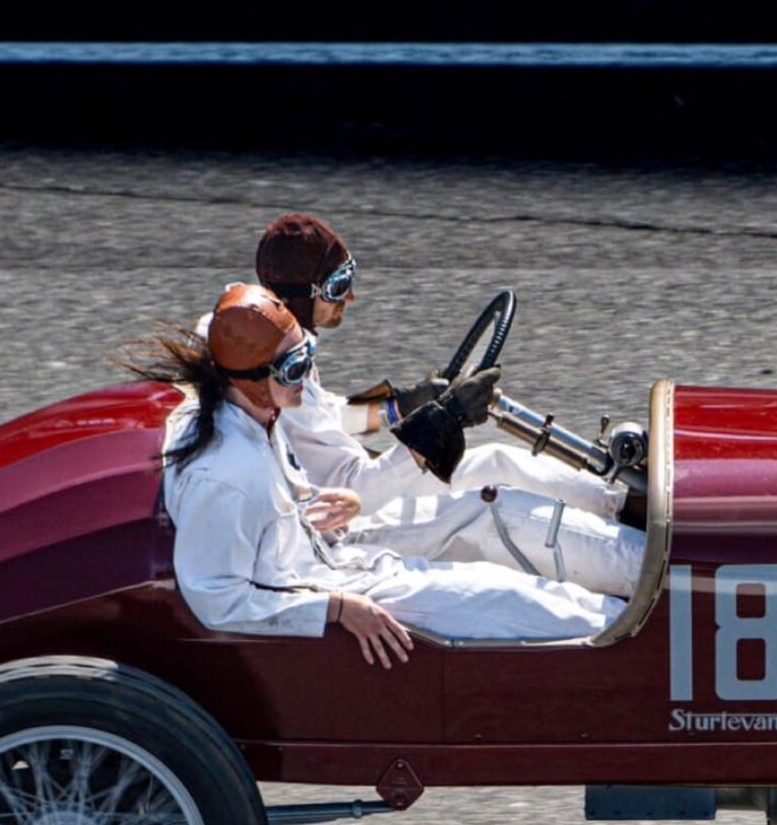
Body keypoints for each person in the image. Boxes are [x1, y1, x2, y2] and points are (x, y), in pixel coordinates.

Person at [140, 286, 621, 663]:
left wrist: (328, 497)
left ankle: (642, 558)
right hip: (337, 588)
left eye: (306, 356)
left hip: (339, 555)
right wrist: (337, 609)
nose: (304, 377)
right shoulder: (226, 473)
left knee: (500, 522)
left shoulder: (256, 410)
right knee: (512, 598)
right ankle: (648, 622)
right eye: (293, 368)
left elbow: (295, 477)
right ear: (247, 378)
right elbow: (219, 600)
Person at [244, 212, 647, 600]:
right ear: (298, 298)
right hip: (340, 534)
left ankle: (631, 510)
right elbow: (357, 492)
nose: (351, 295)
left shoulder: (281, 353)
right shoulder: (269, 372)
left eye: (348, 276)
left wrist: (402, 404)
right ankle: (659, 574)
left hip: (355, 502)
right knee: (494, 508)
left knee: (498, 459)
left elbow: (327, 416)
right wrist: (441, 422)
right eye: (336, 286)